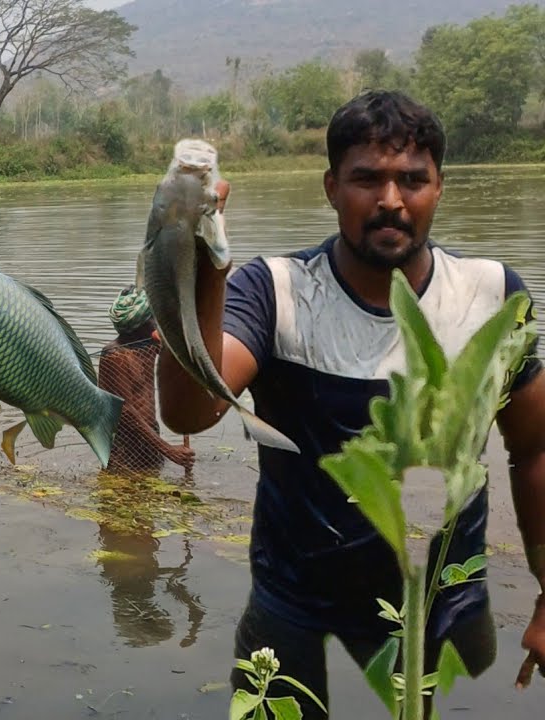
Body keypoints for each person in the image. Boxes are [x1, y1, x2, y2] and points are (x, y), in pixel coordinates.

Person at [155, 90, 545, 716]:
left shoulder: (491, 293)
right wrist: (203, 264)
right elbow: (189, 413)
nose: (391, 200)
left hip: (444, 611)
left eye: (413, 180)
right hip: (294, 615)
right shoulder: (276, 289)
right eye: (367, 178)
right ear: (332, 187)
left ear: (440, 188)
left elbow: (534, 450)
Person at [98, 286, 194, 475]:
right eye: (154, 318)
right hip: (125, 448)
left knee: (152, 493)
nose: (158, 323)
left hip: (150, 439)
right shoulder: (115, 355)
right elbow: (125, 411)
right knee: (122, 496)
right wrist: (168, 450)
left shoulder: (149, 345)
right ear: (141, 324)